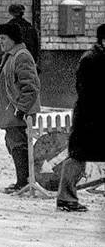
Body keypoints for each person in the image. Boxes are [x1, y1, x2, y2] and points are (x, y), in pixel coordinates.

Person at [54, 23, 105, 212]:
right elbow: (86, 90)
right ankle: (66, 198)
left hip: (95, 116)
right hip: (90, 117)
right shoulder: (91, 59)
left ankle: (66, 197)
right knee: (77, 157)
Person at [0, 22, 41, 193]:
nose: (0, 42)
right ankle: (23, 180)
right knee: (13, 144)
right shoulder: (11, 55)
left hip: (19, 111)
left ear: (13, 39)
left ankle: (24, 181)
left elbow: (31, 86)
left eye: (3, 38)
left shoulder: (21, 56)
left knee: (18, 144)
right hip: (12, 110)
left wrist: (21, 109)